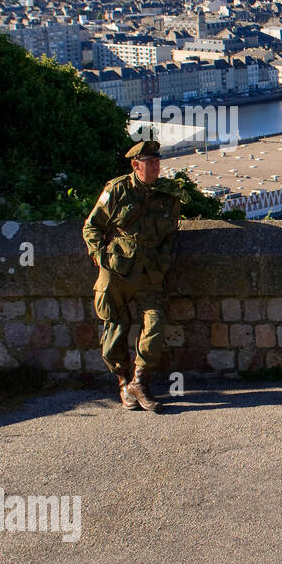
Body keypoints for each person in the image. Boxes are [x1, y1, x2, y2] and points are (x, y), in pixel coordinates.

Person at [81, 137, 183, 412]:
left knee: (155, 323)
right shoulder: (117, 190)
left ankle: (140, 380)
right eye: (150, 162)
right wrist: (103, 258)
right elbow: (91, 227)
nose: (156, 166)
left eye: (158, 161)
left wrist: (164, 262)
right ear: (136, 165)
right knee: (115, 327)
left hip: (150, 271)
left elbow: (171, 235)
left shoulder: (168, 194)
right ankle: (123, 382)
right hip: (118, 270)